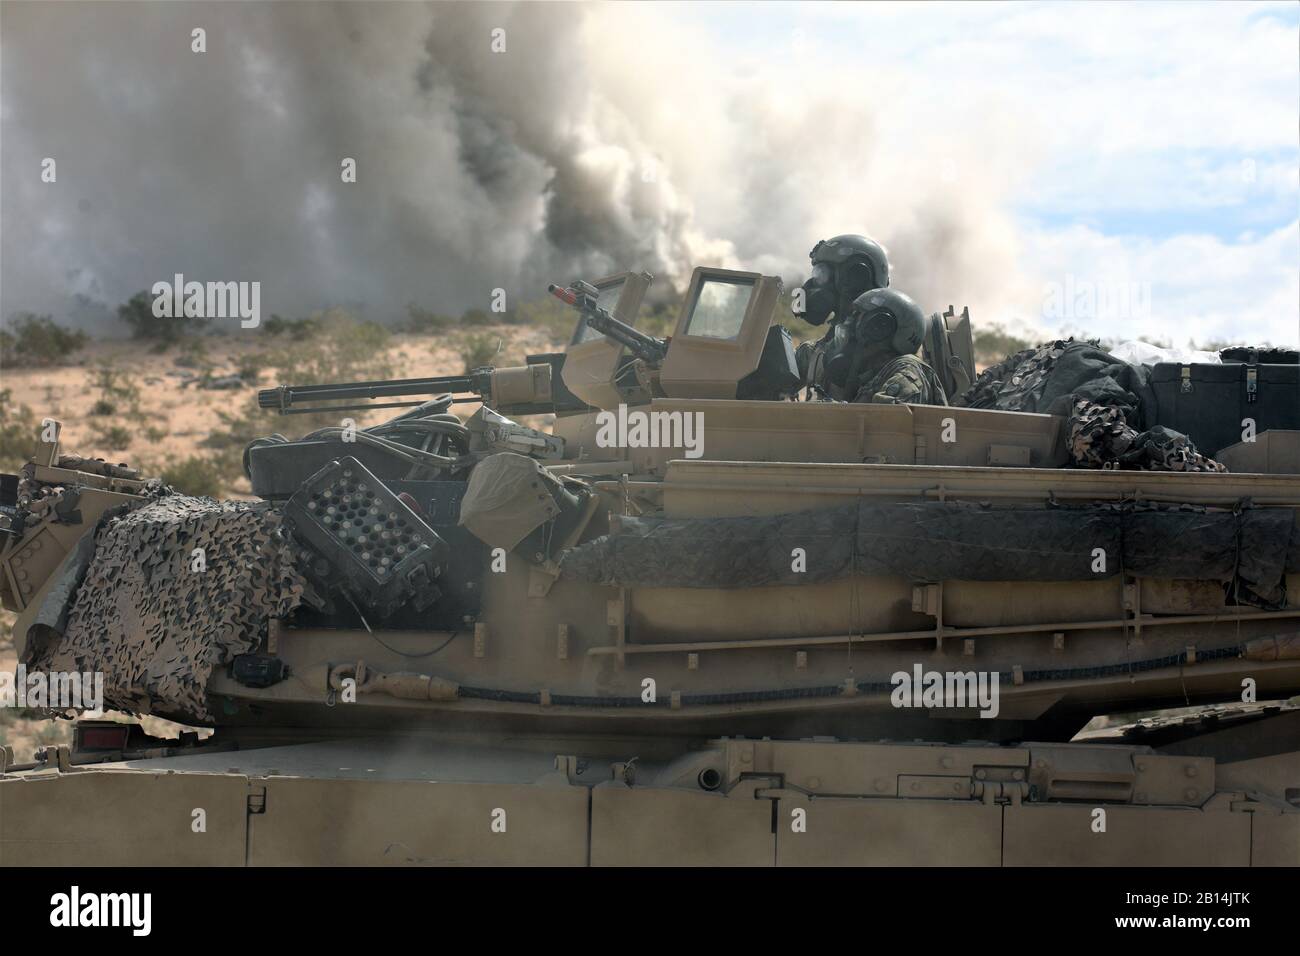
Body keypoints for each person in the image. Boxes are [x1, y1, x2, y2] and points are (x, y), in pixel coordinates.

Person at [793, 234, 891, 394]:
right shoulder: (814, 353)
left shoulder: (892, 362)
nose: (814, 284)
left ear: (857, 277)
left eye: (822, 274)